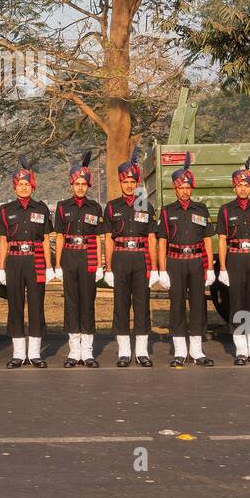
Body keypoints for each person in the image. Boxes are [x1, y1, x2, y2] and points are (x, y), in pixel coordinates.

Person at [0, 156, 54, 368]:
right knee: (16, 306)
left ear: (32, 186)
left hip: (36, 260)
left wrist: (49, 266)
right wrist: (1, 267)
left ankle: (35, 354)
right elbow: (3, 241)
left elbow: (46, 240)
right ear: (15, 187)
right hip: (14, 262)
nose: (24, 187)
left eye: (27, 184)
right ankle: (19, 354)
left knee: (37, 306)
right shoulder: (6, 210)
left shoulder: (41, 209)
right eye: (20, 184)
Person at [157, 154, 215, 367]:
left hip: (197, 261)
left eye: (188, 187)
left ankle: (197, 350)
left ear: (192, 188)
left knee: (198, 305)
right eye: (181, 187)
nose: (185, 190)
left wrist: (209, 268)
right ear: (175, 188)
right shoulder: (167, 211)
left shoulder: (201, 210)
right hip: (175, 262)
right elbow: (161, 241)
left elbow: (208, 239)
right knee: (177, 305)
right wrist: (162, 269)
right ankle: (180, 351)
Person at [51, 150, 106, 367]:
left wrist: (101, 263)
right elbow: (60, 237)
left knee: (88, 302)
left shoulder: (95, 207)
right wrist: (58, 265)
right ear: (71, 185)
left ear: (88, 185)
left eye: (84, 183)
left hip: (89, 257)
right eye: (77, 183)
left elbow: (100, 237)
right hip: (70, 258)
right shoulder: (62, 207)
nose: (80, 187)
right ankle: (74, 352)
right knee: (72, 303)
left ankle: (88, 351)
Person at [104, 148, 158, 367]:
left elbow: (152, 239)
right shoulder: (111, 207)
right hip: (120, 257)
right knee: (121, 305)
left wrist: (154, 268)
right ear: (120, 182)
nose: (129, 185)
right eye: (125, 181)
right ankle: (124, 351)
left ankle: (142, 352)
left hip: (141, 258)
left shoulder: (146, 206)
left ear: (137, 183)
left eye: (132, 181)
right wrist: (108, 268)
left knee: (142, 304)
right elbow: (108, 239)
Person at [216, 156, 250, 366]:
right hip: (235, 259)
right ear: (234, 187)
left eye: (246, 185)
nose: (242, 189)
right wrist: (222, 267)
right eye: (239, 185)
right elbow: (222, 240)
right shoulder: (226, 210)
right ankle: (240, 350)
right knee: (237, 303)